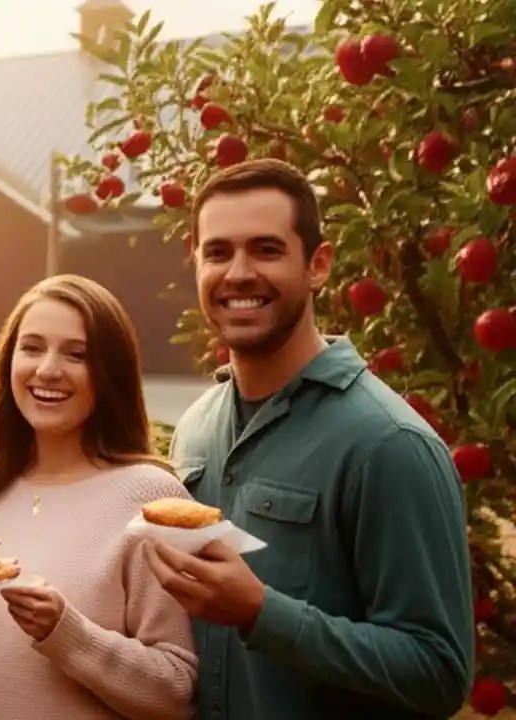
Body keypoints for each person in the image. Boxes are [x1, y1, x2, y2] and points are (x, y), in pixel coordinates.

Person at [145, 158, 474, 719]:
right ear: (195, 262)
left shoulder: (387, 445)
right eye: (219, 252)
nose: (239, 273)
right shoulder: (197, 427)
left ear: (317, 265)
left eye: (267, 250)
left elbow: (439, 672)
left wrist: (261, 613)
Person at [0, 274, 199, 720]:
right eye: (32, 348)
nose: (48, 369)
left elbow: (178, 692)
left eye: (76, 354)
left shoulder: (151, 498)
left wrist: (68, 634)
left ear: (110, 372)